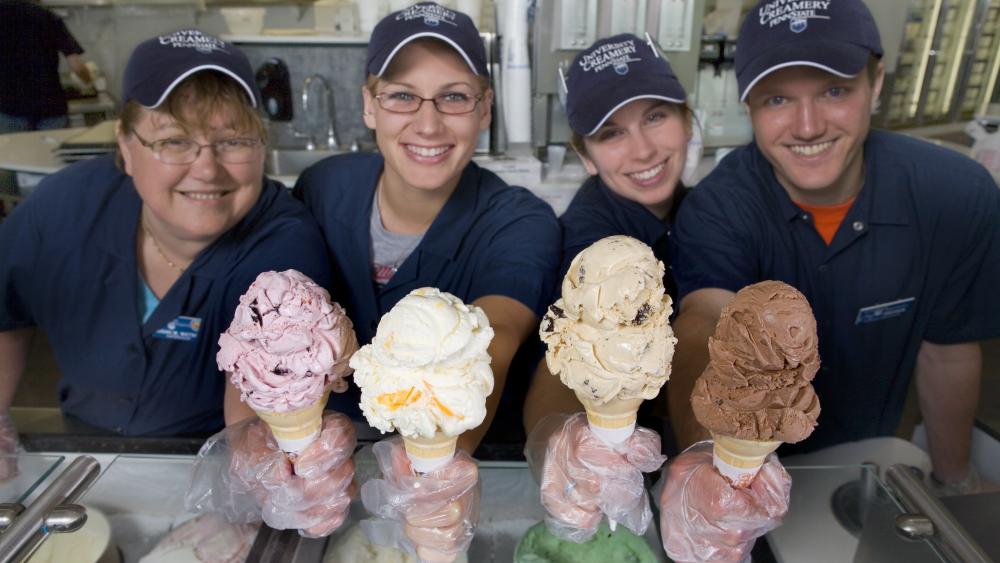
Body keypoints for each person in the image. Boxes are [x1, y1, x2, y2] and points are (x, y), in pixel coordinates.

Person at [669, 0, 999, 520]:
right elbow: (705, 326)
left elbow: (949, 351)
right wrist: (711, 468)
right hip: (747, 469)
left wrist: (954, 481)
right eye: (778, 98)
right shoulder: (718, 207)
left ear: (878, 82)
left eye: (835, 91)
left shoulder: (954, 196)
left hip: (865, 464)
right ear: (747, 104)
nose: (807, 125)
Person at [276, 2, 558, 558]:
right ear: (369, 105)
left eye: (454, 97)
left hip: (459, 472)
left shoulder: (519, 220)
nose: (427, 124)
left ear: (484, 109)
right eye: (402, 95)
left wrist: (431, 473)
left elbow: (494, 339)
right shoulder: (324, 188)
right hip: (327, 472)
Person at [0, 29, 335, 441]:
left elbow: (255, 426)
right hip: (81, 445)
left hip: (209, 466)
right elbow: (5, 307)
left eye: (233, 141)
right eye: (175, 141)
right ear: (125, 145)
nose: (207, 170)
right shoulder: (65, 206)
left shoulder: (285, 250)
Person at [0, 0, 92, 133]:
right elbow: (77, 66)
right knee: (52, 153)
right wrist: (88, 82)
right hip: (50, 107)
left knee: (13, 152)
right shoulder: (47, 16)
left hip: (10, 108)